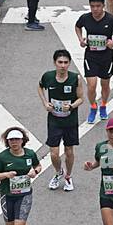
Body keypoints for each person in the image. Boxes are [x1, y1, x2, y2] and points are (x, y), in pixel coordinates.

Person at [76, 0, 113, 124]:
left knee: (105, 84)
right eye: (92, 6)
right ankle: (93, 107)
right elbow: (77, 26)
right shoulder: (85, 18)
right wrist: (81, 39)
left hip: (106, 57)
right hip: (90, 56)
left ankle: (103, 105)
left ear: (103, 5)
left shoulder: (111, 19)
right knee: (91, 86)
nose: (95, 9)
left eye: (98, 6)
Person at [38, 50, 82, 191]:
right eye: (60, 62)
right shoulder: (48, 77)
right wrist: (45, 102)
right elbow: (39, 87)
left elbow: (81, 98)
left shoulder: (76, 78)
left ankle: (68, 176)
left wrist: (70, 106)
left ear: (69, 63)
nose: (63, 65)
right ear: (55, 63)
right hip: (54, 121)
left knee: (69, 151)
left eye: (65, 62)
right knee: (54, 153)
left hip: (70, 121)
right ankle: (58, 173)